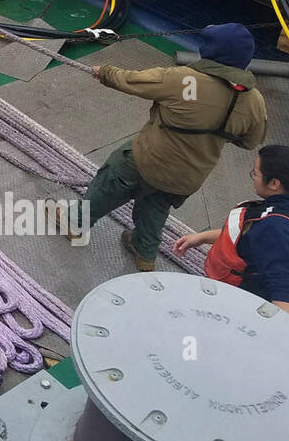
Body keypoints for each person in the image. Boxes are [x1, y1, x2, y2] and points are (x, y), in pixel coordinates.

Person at [59, 22, 268, 271]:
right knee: (156, 205)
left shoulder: (183, 80)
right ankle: (145, 254)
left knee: (112, 179)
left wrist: (103, 71)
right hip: (187, 177)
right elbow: (250, 141)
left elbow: (131, 81)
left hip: (148, 159)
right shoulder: (254, 101)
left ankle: (75, 223)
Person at [174, 146, 289, 324]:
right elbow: (250, 238)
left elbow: (282, 294)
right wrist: (201, 238)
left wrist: (281, 341)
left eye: (255, 174)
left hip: (252, 309)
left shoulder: (278, 230)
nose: (253, 178)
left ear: (274, 184)